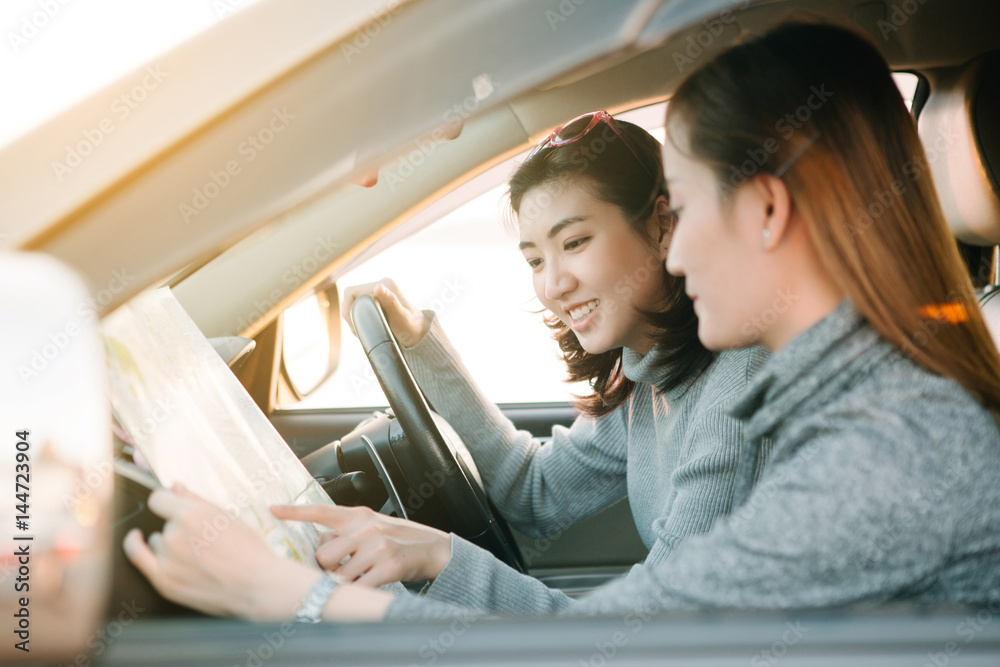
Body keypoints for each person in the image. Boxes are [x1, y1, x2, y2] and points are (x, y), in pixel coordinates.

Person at [124, 21, 1000, 624]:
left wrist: (291, 598)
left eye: (683, 212)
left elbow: (613, 646)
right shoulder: (828, 398)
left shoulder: (886, 443)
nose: (679, 252)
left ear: (766, 210)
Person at [126, 111, 768, 617]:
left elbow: (646, 641)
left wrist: (436, 556)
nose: (552, 286)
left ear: (660, 226)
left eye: (574, 243)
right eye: (535, 260)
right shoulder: (649, 377)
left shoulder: (733, 389)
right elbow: (532, 494)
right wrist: (419, 346)